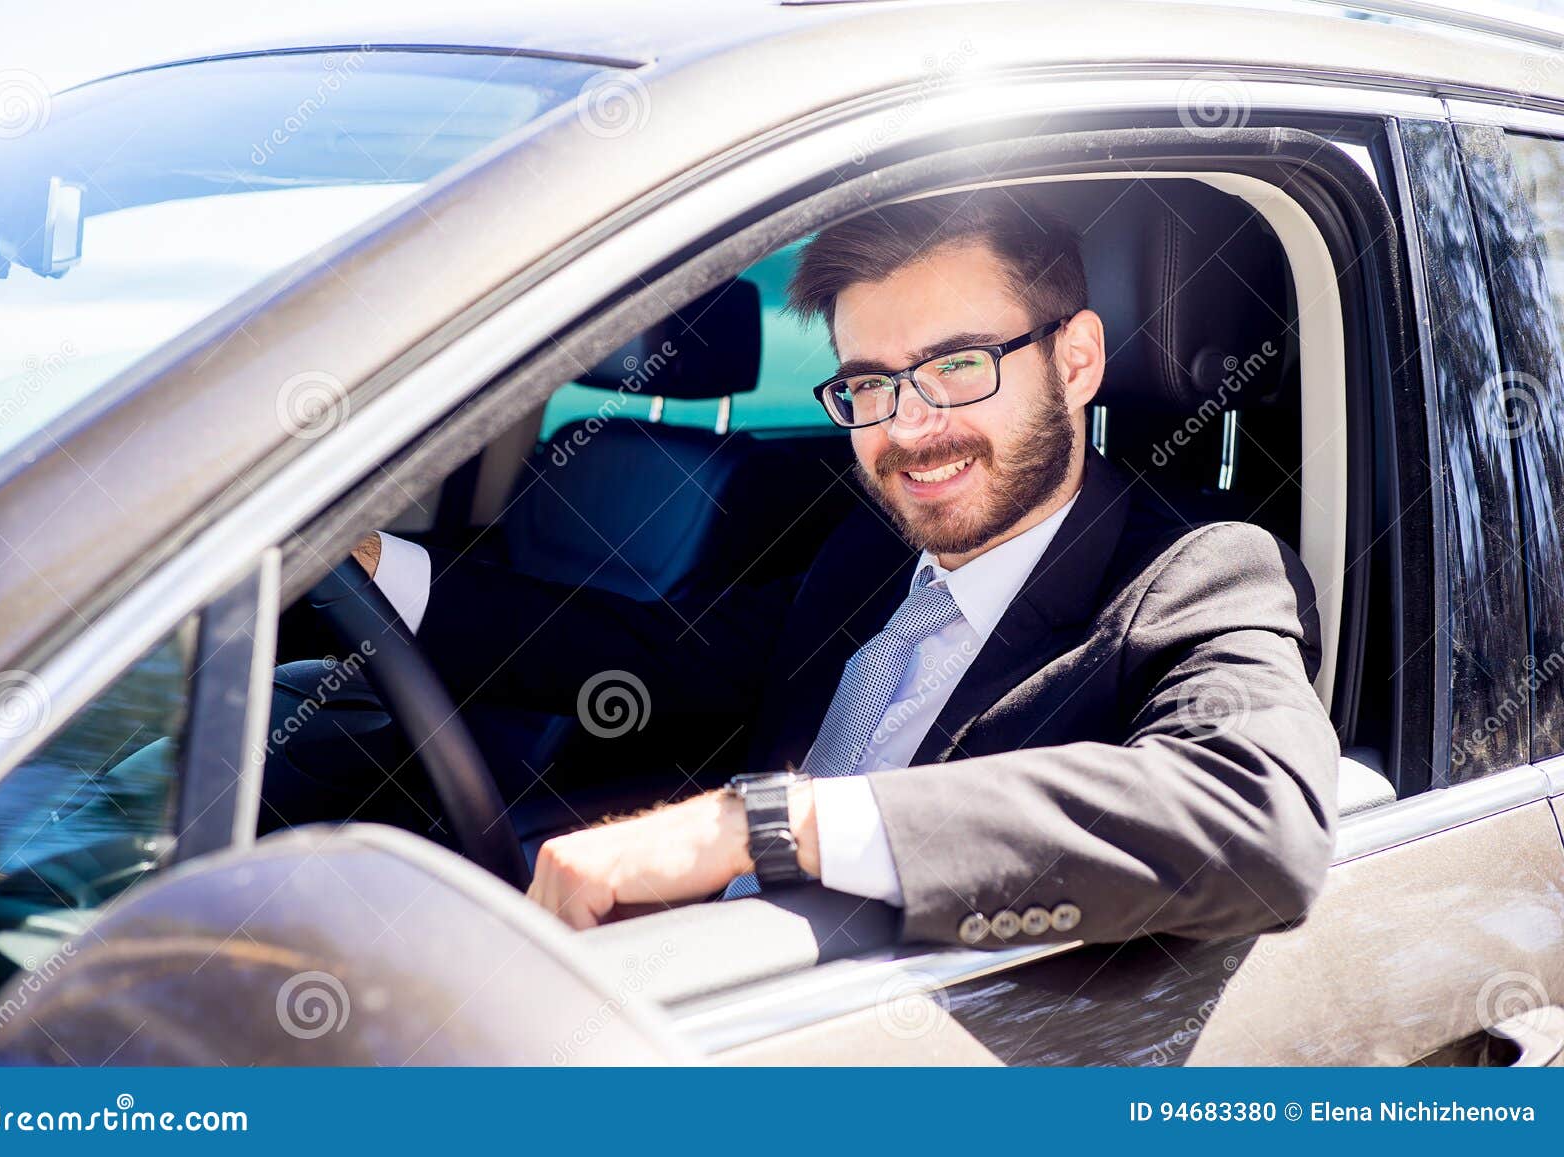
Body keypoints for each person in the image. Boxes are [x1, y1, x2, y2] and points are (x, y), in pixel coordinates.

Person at [352, 187, 1338, 945]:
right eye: (869, 383)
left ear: (1074, 361)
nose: (909, 427)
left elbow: (1258, 821)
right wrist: (365, 563)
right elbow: (660, 657)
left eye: (960, 366)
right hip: (707, 967)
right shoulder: (873, 549)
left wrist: (763, 825)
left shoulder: (1201, 572)